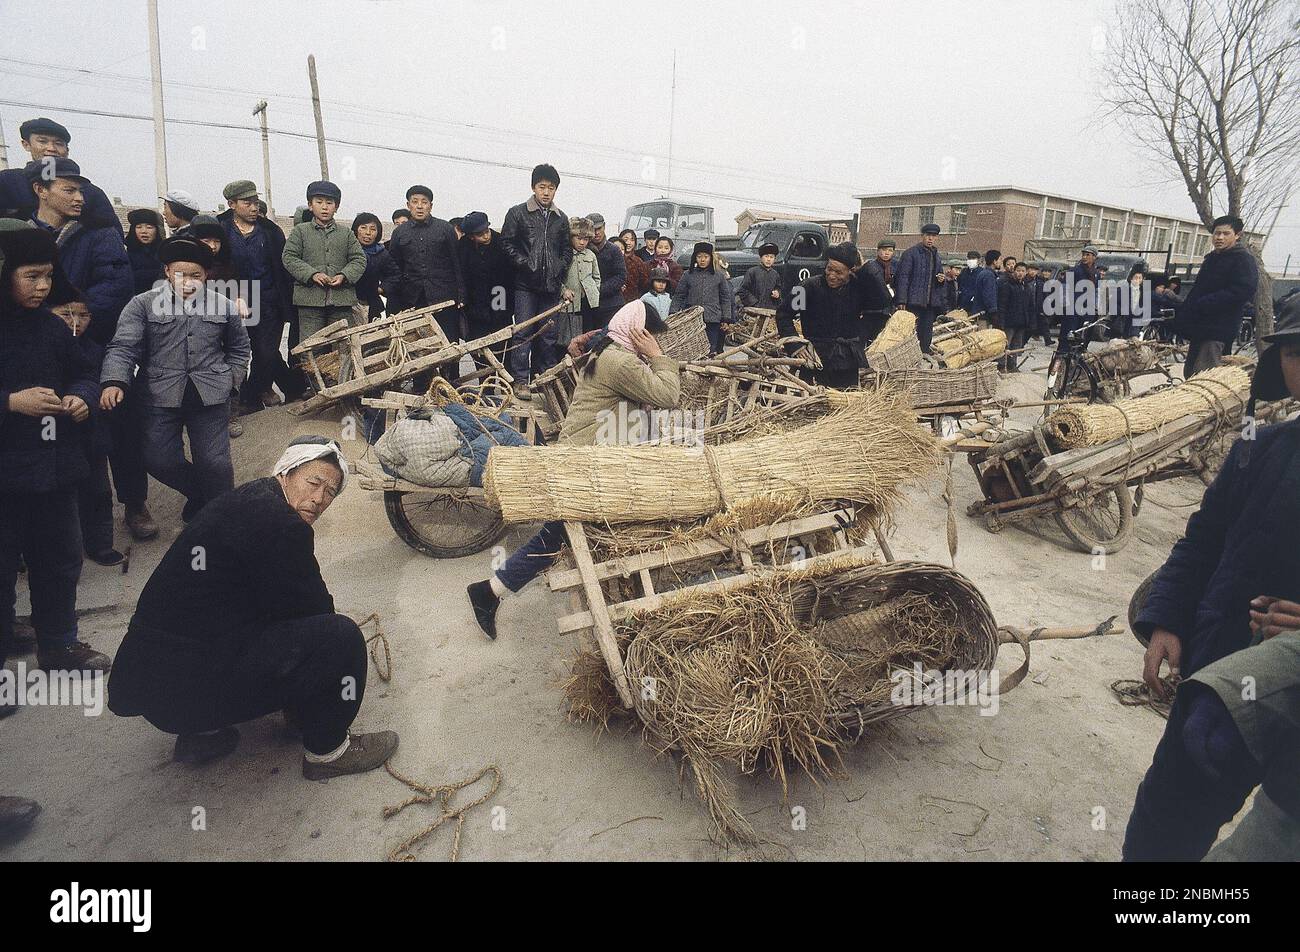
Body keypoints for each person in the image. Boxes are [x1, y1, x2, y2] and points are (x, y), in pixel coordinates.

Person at [107, 436, 400, 775]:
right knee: (341, 638)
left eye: (330, 492)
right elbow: (315, 609)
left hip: (153, 691)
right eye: (314, 482)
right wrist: (313, 687)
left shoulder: (244, 498)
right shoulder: (283, 524)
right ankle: (328, 752)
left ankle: (199, 734)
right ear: (287, 472)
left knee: (238, 619)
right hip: (187, 691)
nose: (319, 499)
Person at [1124, 302, 1300, 861]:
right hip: (1221, 676)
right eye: (1297, 354)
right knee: (1169, 812)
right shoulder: (1260, 448)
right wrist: (1168, 621)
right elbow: (1202, 540)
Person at [465, 301, 680, 639]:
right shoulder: (621, 361)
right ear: (637, 332)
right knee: (559, 534)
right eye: (650, 334)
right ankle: (489, 591)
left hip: (587, 457)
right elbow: (669, 394)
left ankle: (492, 590)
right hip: (586, 464)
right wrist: (657, 356)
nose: (653, 340)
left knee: (563, 534)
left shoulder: (610, 349)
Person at [0, 224, 112, 688]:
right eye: (31, 276)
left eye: (47, 276)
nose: (43, 286)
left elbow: (84, 371)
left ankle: (61, 644)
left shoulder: (51, 326)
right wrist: (10, 402)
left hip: (52, 469)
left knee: (59, 559)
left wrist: (83, 397)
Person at [28, 158, 154, 541]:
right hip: (37, 352)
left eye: (81, 190)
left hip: (95, 344)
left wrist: (67, 313)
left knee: (119, 425)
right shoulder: (21, 232)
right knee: (49, 429)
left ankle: (134, 503)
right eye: (68, 189)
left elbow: (117, 286)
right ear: (40, 189)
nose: (79, 198)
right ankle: (55, 521)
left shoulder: (99, 233)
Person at [100, 237, 250, 522]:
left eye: (196, 275)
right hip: (159, 395)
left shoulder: (224, 305)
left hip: (211, 395)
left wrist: (232, 380)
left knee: (215, 463)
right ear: (167, 271)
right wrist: (114, 382)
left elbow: (239, 349)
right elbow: (123, 347)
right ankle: (202, 495)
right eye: (180, 274)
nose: (188, 282)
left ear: (206, 275)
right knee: (158, 459)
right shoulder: (142, 305)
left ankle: (222, 521)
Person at [218, 179, 298, 408]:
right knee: (235, 353)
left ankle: (250, 398)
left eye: (255, 202)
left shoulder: (271, 232)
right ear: (232, 204)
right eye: (247, 203)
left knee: (266, 353)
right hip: (231, 299)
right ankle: (284, 389)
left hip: (267, 299)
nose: (254, 207)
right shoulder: (219, 230)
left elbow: (283, 268)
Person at [282, 181, 367, 383]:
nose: (324, 207)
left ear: (336, 206)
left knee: (343, 346)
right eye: (319, 202)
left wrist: (344, 275)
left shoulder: (345, 233)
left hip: (341, 301)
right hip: (310, 302)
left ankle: (342, 386)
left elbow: (359, 259)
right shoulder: (300, 232)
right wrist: (312, 274)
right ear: (310, 205)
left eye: (329, 202)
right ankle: (314, 387)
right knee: (312, 347)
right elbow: (289, 257)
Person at [500, 164, 572, 387]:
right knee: (523, 333)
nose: (546, 192)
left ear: (555, 190)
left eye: (551, 188)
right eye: (542, 187)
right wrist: (526, 264)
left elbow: (567, 250)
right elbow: (506, 243)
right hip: (525, 286)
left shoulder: (561, 218)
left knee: (548, 336)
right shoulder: (518, 213)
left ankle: (543, 381)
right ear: (533, 187)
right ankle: (520, 380)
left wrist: (559, 268)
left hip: (551, 287)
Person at [0, 117, 121, 237]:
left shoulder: (91, 192)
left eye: (58, 143)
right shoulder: (7, 182)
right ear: (26, 144)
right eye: (42, 141)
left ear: (67, 150)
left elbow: (112, 236)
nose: (51, 148)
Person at [777, 242, 876, 387]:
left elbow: (882, 306)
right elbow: (784, 314)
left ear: (850, 271)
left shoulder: (858, 288)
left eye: (839, 272)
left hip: (847, 360)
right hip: (815, 358)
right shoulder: (807, 287)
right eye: (829, 269)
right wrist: (796, 345)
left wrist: (860, 338)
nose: (831, 275)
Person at [1174, 215, 1258, 379]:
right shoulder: (1212, 259)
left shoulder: (1243, 259)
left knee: (1205, 373)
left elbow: (1243, 290)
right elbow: (1198, 291)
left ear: (1237, 235)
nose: (1219, 237)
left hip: (1218, 328)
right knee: (1190, 371)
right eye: (1216, 233)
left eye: (1225, 233)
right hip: (1200, 326)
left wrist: (1207, 303)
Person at [387, 185, 465, 344]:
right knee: (419, 348)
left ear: (431, 206)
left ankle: (451, 370)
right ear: (408, 206)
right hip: (412, 300)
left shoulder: (445, 229)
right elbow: (395, 267)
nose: (420, 206)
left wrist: (462, 294)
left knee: (450, 344)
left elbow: (457, 263)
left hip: (444, 297)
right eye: (415, 202)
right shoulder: (400, 233)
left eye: (424, 202)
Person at [457, 211, 514, 359]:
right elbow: (462, 274)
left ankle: (504, 379)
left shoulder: (500, 242)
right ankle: (484, 379)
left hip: (499, 292)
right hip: (475, 298)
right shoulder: (463, 247)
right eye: (480, 234)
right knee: (479, 346)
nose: (486, 236)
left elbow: (509, 276)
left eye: (487, 231)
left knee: (501, 339)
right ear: (471, 236)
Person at [671, 241, 733, 354]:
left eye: (706, 256)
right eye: (699, 257)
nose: (702, 260)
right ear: (695, 258)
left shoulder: (719, 276)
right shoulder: (688, 275)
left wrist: (726, 318)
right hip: (692, 319)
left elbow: (725, 298)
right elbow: (679, 296)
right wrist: (673, 313)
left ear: (710, 257)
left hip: (713, 319)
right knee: (692, 349)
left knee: (711, 349)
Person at [893, 222, 947, 351]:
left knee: (926, 332)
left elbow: (939, 275)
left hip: (929, 303)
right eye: (928, 235)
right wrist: (901, 300)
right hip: (913, 301)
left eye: (934, 236)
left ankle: (923, 354)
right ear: (922, 235)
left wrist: (941, 279)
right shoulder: (910, 254)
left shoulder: (936, 255)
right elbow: (903, 278)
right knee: (909, 331)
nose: (930, 239)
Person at [351, 211, 400, 321]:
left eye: (373, 229)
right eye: (363, 228)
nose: (368, 233)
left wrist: (381, 288)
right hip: (345, 305)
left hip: (371, 305)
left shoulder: (382, 253)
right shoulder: (347, 250)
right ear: (355, 230)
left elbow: (395, 275)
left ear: (378, 233)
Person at [560, 217, 600, 345]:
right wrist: (563, 290)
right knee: (569, 337)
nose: (582, 242)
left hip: (589, 303)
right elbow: (556, 278)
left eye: (586, 239)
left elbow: (596, 277)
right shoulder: (564, 254)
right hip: (570, 304)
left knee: (588, 335)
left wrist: (595, 291)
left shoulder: (591, 255)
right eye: (579, 238)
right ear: (571, 237)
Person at [583, 214, 626, 330]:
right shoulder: (582, 251)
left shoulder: (614, 250)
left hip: (612, 305)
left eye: (599, 228)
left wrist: (598, 290)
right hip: (588, 307)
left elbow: (621, 276)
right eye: (593, 229)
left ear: (604, 227)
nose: (596, 233)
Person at [996, 261, 1033, 372]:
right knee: (1006, 344)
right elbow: (1002, 305)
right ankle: (1001, 365)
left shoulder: (1027, 287)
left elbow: (1031, 306)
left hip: (1022, 322)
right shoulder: (1007, 285)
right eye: (1018, 270)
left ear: (1026, 272)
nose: (1020, 273)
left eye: (1022, 271)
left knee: (1017, 345)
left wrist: (1031, 322)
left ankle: (1012, 365)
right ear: (1014, 272)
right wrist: (1001, 322)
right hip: (1009, 321)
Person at [124, 208, 165, 295]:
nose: (144, 231)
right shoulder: (126, 254)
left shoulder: (165, 253)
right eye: (139, 227)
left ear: (158, 230)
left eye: (149, 227)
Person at [860, 239, 898, 323]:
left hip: (888, 309)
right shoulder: (869, 266)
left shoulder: (896, 267)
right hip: (871, 309)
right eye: (884, 250)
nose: (887, 253)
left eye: (890, 250)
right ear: (878, 251)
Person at [738, 242, 782, 310]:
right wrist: (755, 304)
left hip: (769, 312)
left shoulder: (775, 275)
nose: (769, 259)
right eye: (766, 256)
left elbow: (778, 289)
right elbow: (743, 290)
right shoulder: (752, 272)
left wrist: (777, 294)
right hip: (753, 311)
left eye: (771, 257)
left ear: (774, 259)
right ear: (761, 258)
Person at [957, 249, 998, 322]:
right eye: (969, 258)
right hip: (963, 305)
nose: (971, 260)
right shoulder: (964, 272)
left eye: (973, 258)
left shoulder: (982, 272)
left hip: (975, 306)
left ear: (978, 260)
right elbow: (960, 285)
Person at [619, 227, 650, 303]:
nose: (628, 243)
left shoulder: (638, 261)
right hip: (615, 301)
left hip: (633, 301)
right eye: (625, 239)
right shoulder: (613, 259)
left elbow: (644, 284)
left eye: (632, 240)